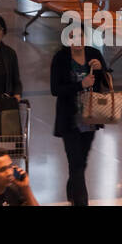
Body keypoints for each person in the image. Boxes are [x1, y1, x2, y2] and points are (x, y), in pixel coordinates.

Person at [50, 23, 112, 207]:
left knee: (81, 161)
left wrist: (101, 68)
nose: (77, 40)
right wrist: (80, 85)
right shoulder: (60, 58)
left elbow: (106, 83)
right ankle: (81, 202)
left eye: (81, 36)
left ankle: (72, 189)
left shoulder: (94, 54)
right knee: (75, 161)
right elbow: (55, 89)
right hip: (69, 118)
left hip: (90, 117)